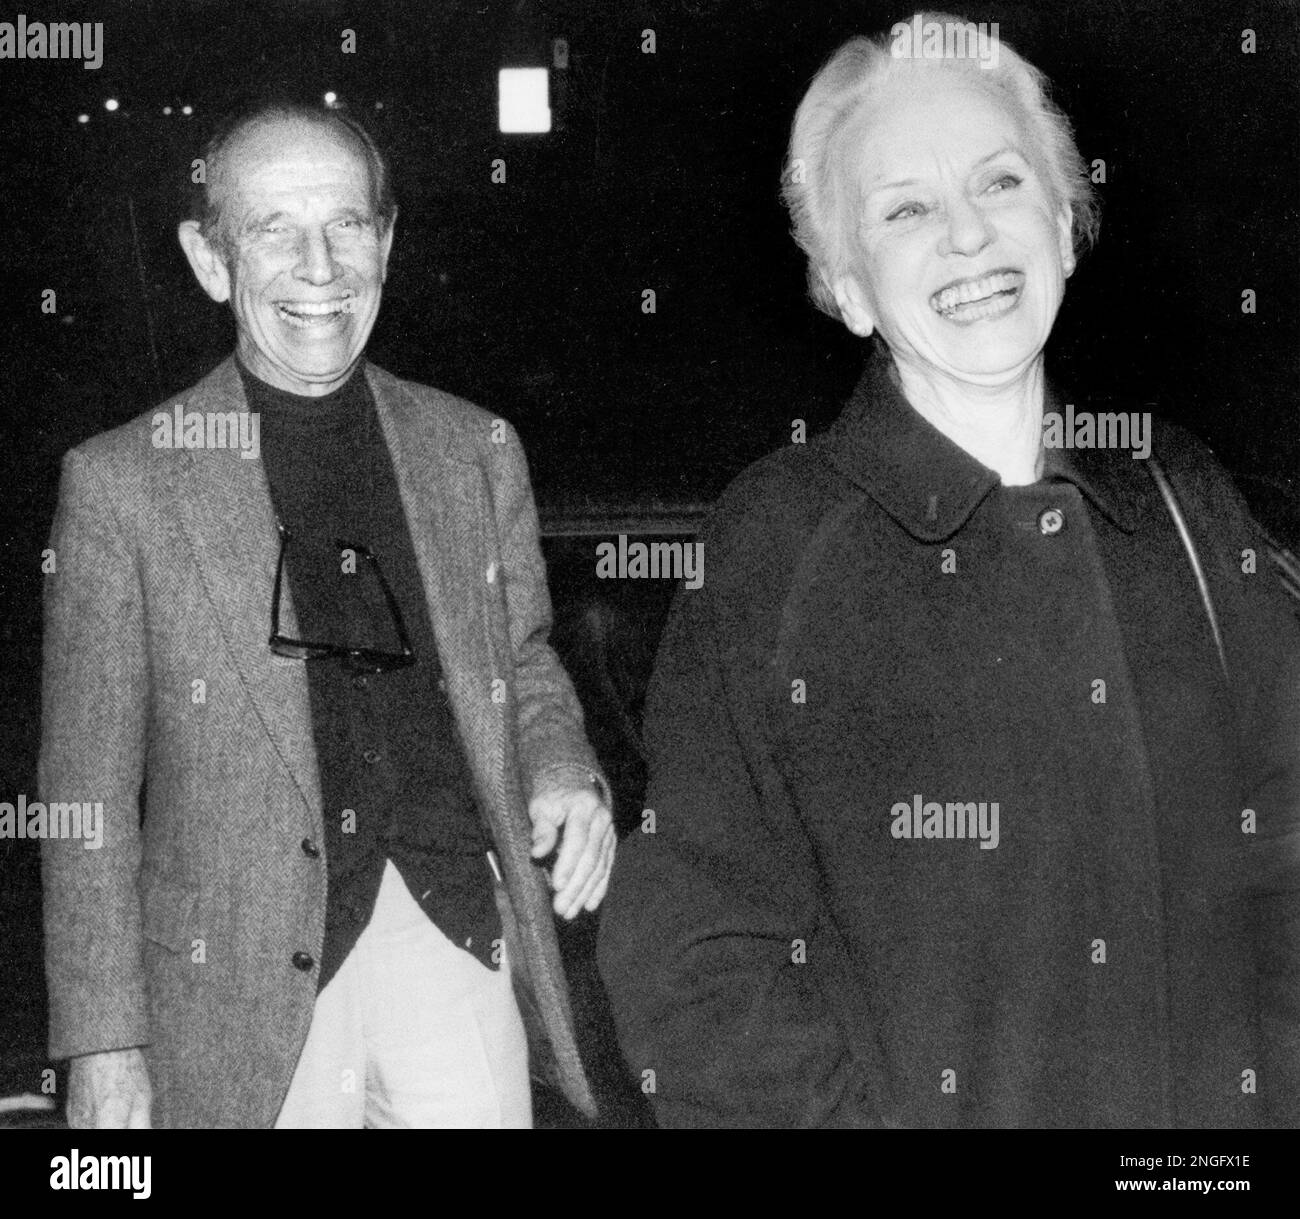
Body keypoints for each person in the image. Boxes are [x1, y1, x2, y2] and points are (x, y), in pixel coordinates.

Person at [597, 12, 1300, 1127]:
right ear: (850, 285)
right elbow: (695, 963)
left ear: (1065, 226)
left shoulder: (1178, 494)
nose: (968, 236)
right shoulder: (777, 544)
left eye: (1001, 183)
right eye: (907, 210)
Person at [40, 99, 615, 1129]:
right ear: (210, 260)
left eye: (347, 224)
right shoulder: (122, 485)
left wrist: (563, 766)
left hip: (449, 938)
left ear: (386, 242)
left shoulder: (474, 449)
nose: (319, 265)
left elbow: (520, 660)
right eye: (272, 229)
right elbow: (83, 799)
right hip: (236, 985)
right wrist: (103, 1042)